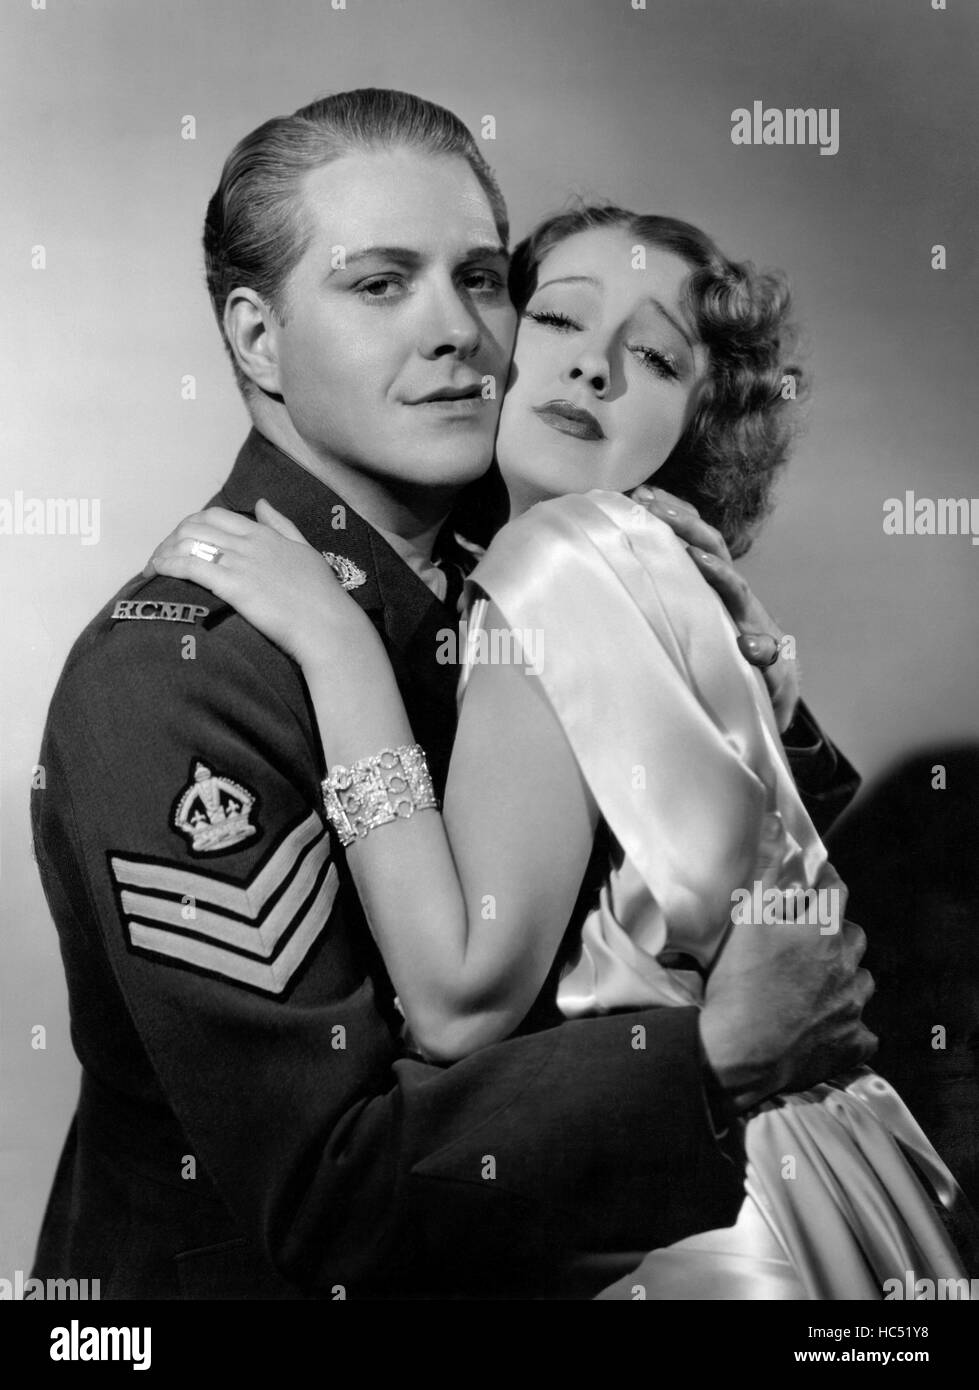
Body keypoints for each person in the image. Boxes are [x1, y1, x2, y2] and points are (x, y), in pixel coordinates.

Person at [31, 90, 870, 1301]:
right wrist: (713, 1059)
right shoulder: (177, 677)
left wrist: (735, 673)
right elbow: (332, 1193)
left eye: (481, 279)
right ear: (258, 340)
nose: (459, 333)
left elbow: (772, 902)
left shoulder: (550, 547)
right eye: (379, 285)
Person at [152, 201, 977, 1299]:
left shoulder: (553, 559)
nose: (593, 369)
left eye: (652, 356)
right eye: (556, 321)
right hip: (817, 1166)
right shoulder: (642, 563)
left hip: (706, 1204)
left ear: (697, 422)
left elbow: (460, 999)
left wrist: (340, 651)